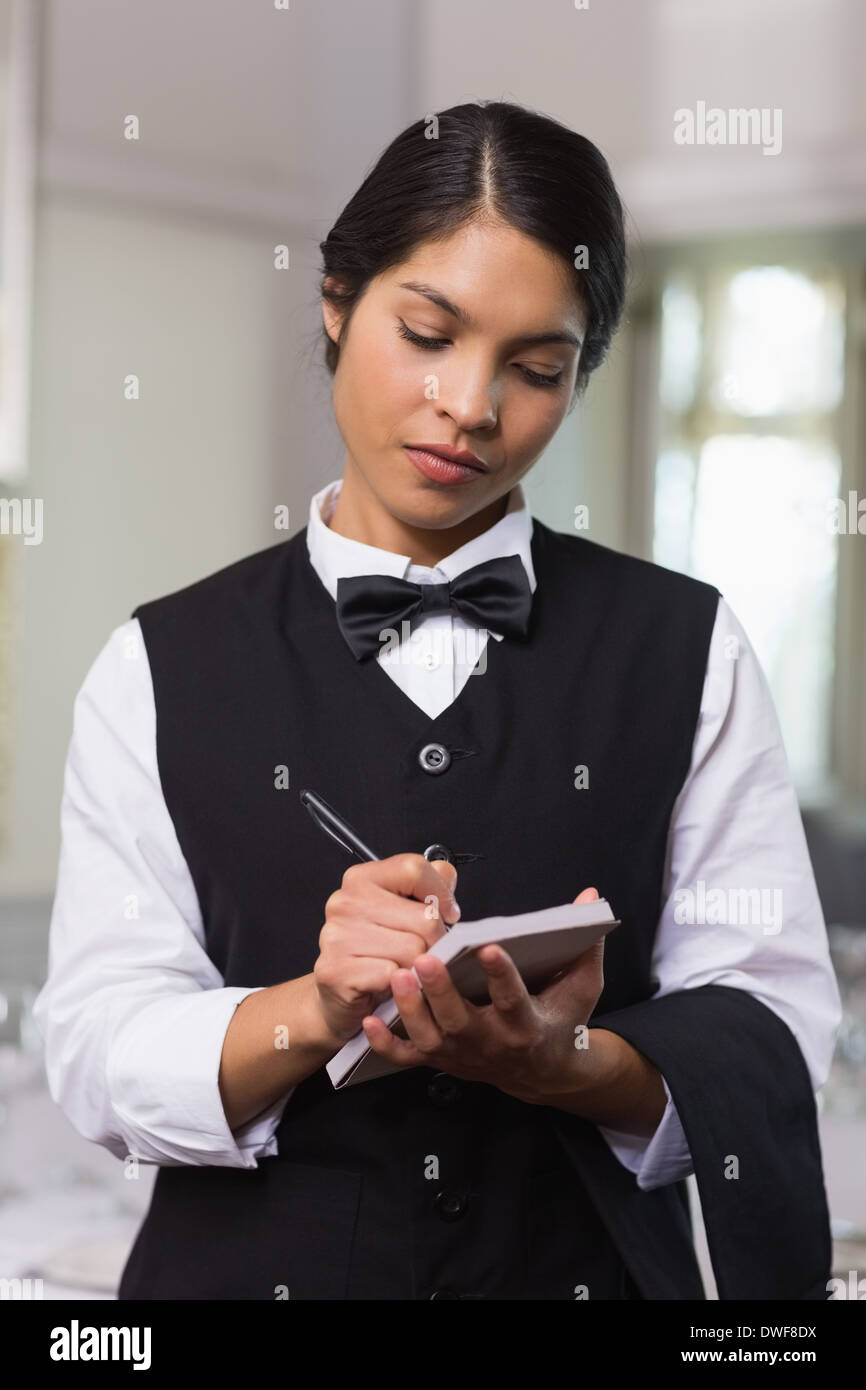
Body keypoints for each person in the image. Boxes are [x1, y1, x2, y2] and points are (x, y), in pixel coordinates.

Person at [34, 100, 842, 1301]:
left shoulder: (687, 645)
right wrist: (312, 1009)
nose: (470, 405)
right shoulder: (155, 663)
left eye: (534, 367)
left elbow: (768, 1033)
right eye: (427, 332)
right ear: (335, 300)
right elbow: (95, 1050)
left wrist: (564, 1062)